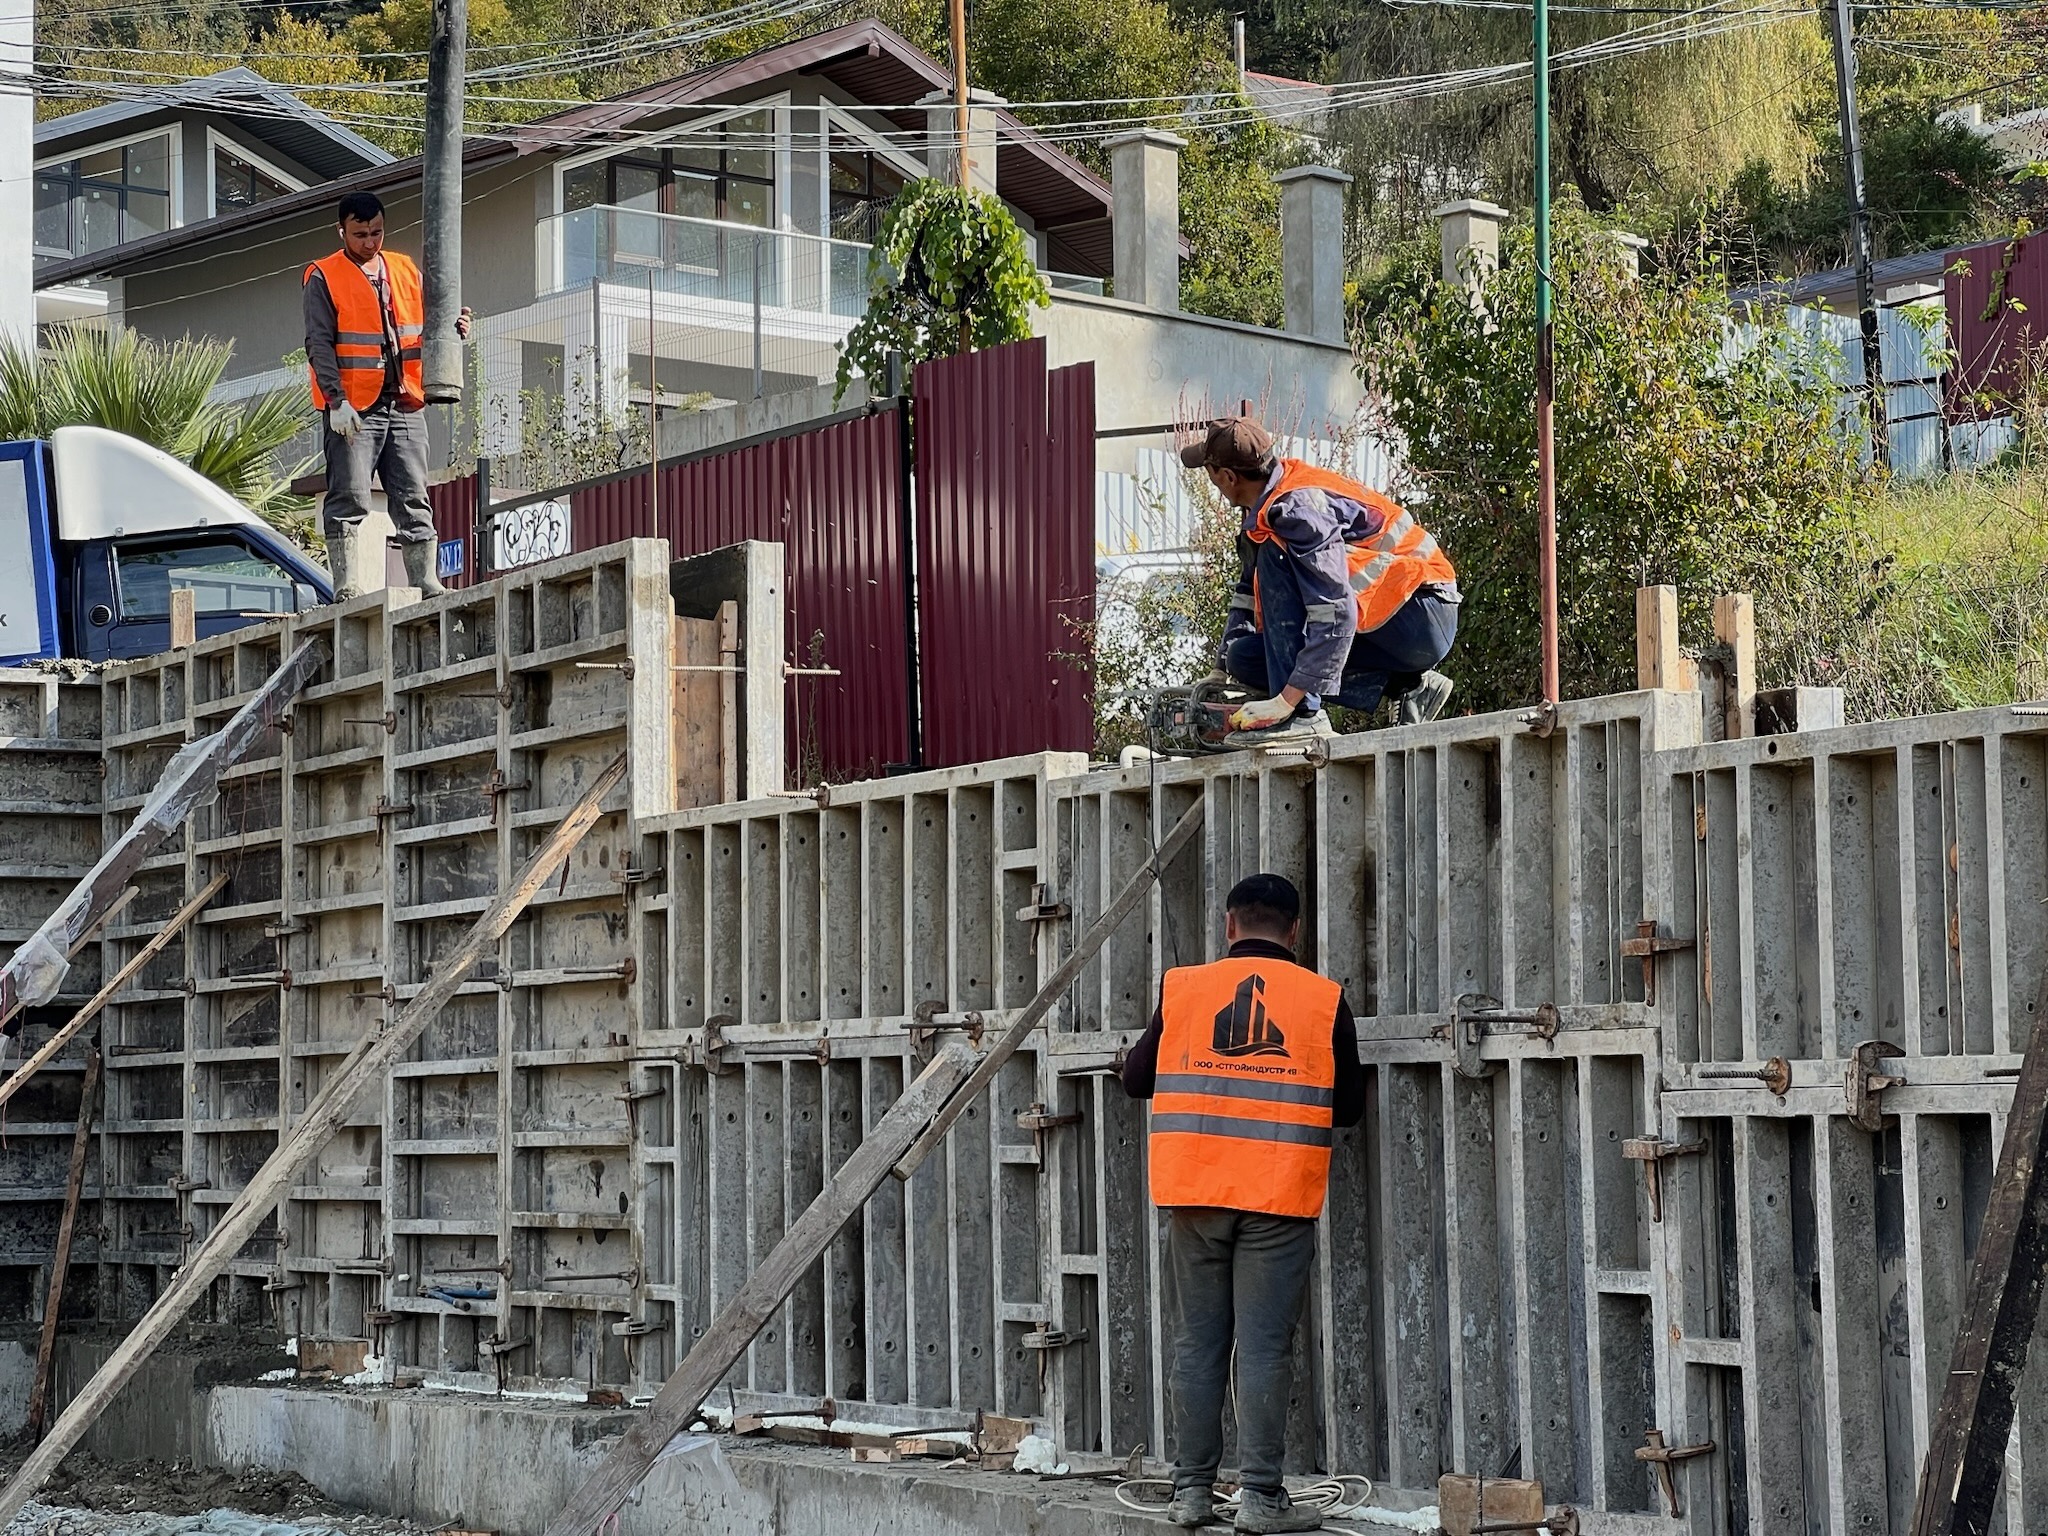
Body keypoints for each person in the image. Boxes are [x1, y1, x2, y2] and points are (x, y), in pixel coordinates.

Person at [1121, 874, 1366, 1532]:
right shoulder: (1323, 1000)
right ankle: (1260, 1498)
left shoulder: (1184, 989)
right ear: (1294, 932)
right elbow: (1348, 1109)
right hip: (1278, 1195)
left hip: (1195, 1193)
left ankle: (1192, 1493)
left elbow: (1134, 1079)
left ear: (1229, 926)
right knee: (1263, 1348)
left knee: (1197, 1345)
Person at [1181, 417, 1459, 747]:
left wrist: (1287, 702)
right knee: (1244, 659)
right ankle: (1407, 685)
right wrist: (1219, 669)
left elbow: (1335, 612)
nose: (1211, 480)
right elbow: (1246, 595)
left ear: (1227, 477)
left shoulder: (1296, 511)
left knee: (1274, 553)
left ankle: (1302, 718)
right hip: (1387, 622)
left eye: (1210, 472)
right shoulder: (1267, 507)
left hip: (1420, 613)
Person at [304, 190, 471, 601]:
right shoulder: (323, 276)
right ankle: (346, 584)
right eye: (360, 234)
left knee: (413, 492)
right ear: (341, 231)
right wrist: (336, 401)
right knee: (350, 494)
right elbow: (319, 344)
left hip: (405, 400)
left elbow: (436, 316)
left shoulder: (404, 269)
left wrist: (458, 326)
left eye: (376, 232)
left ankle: (425, 581)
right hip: (354, 407)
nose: (369, 242)